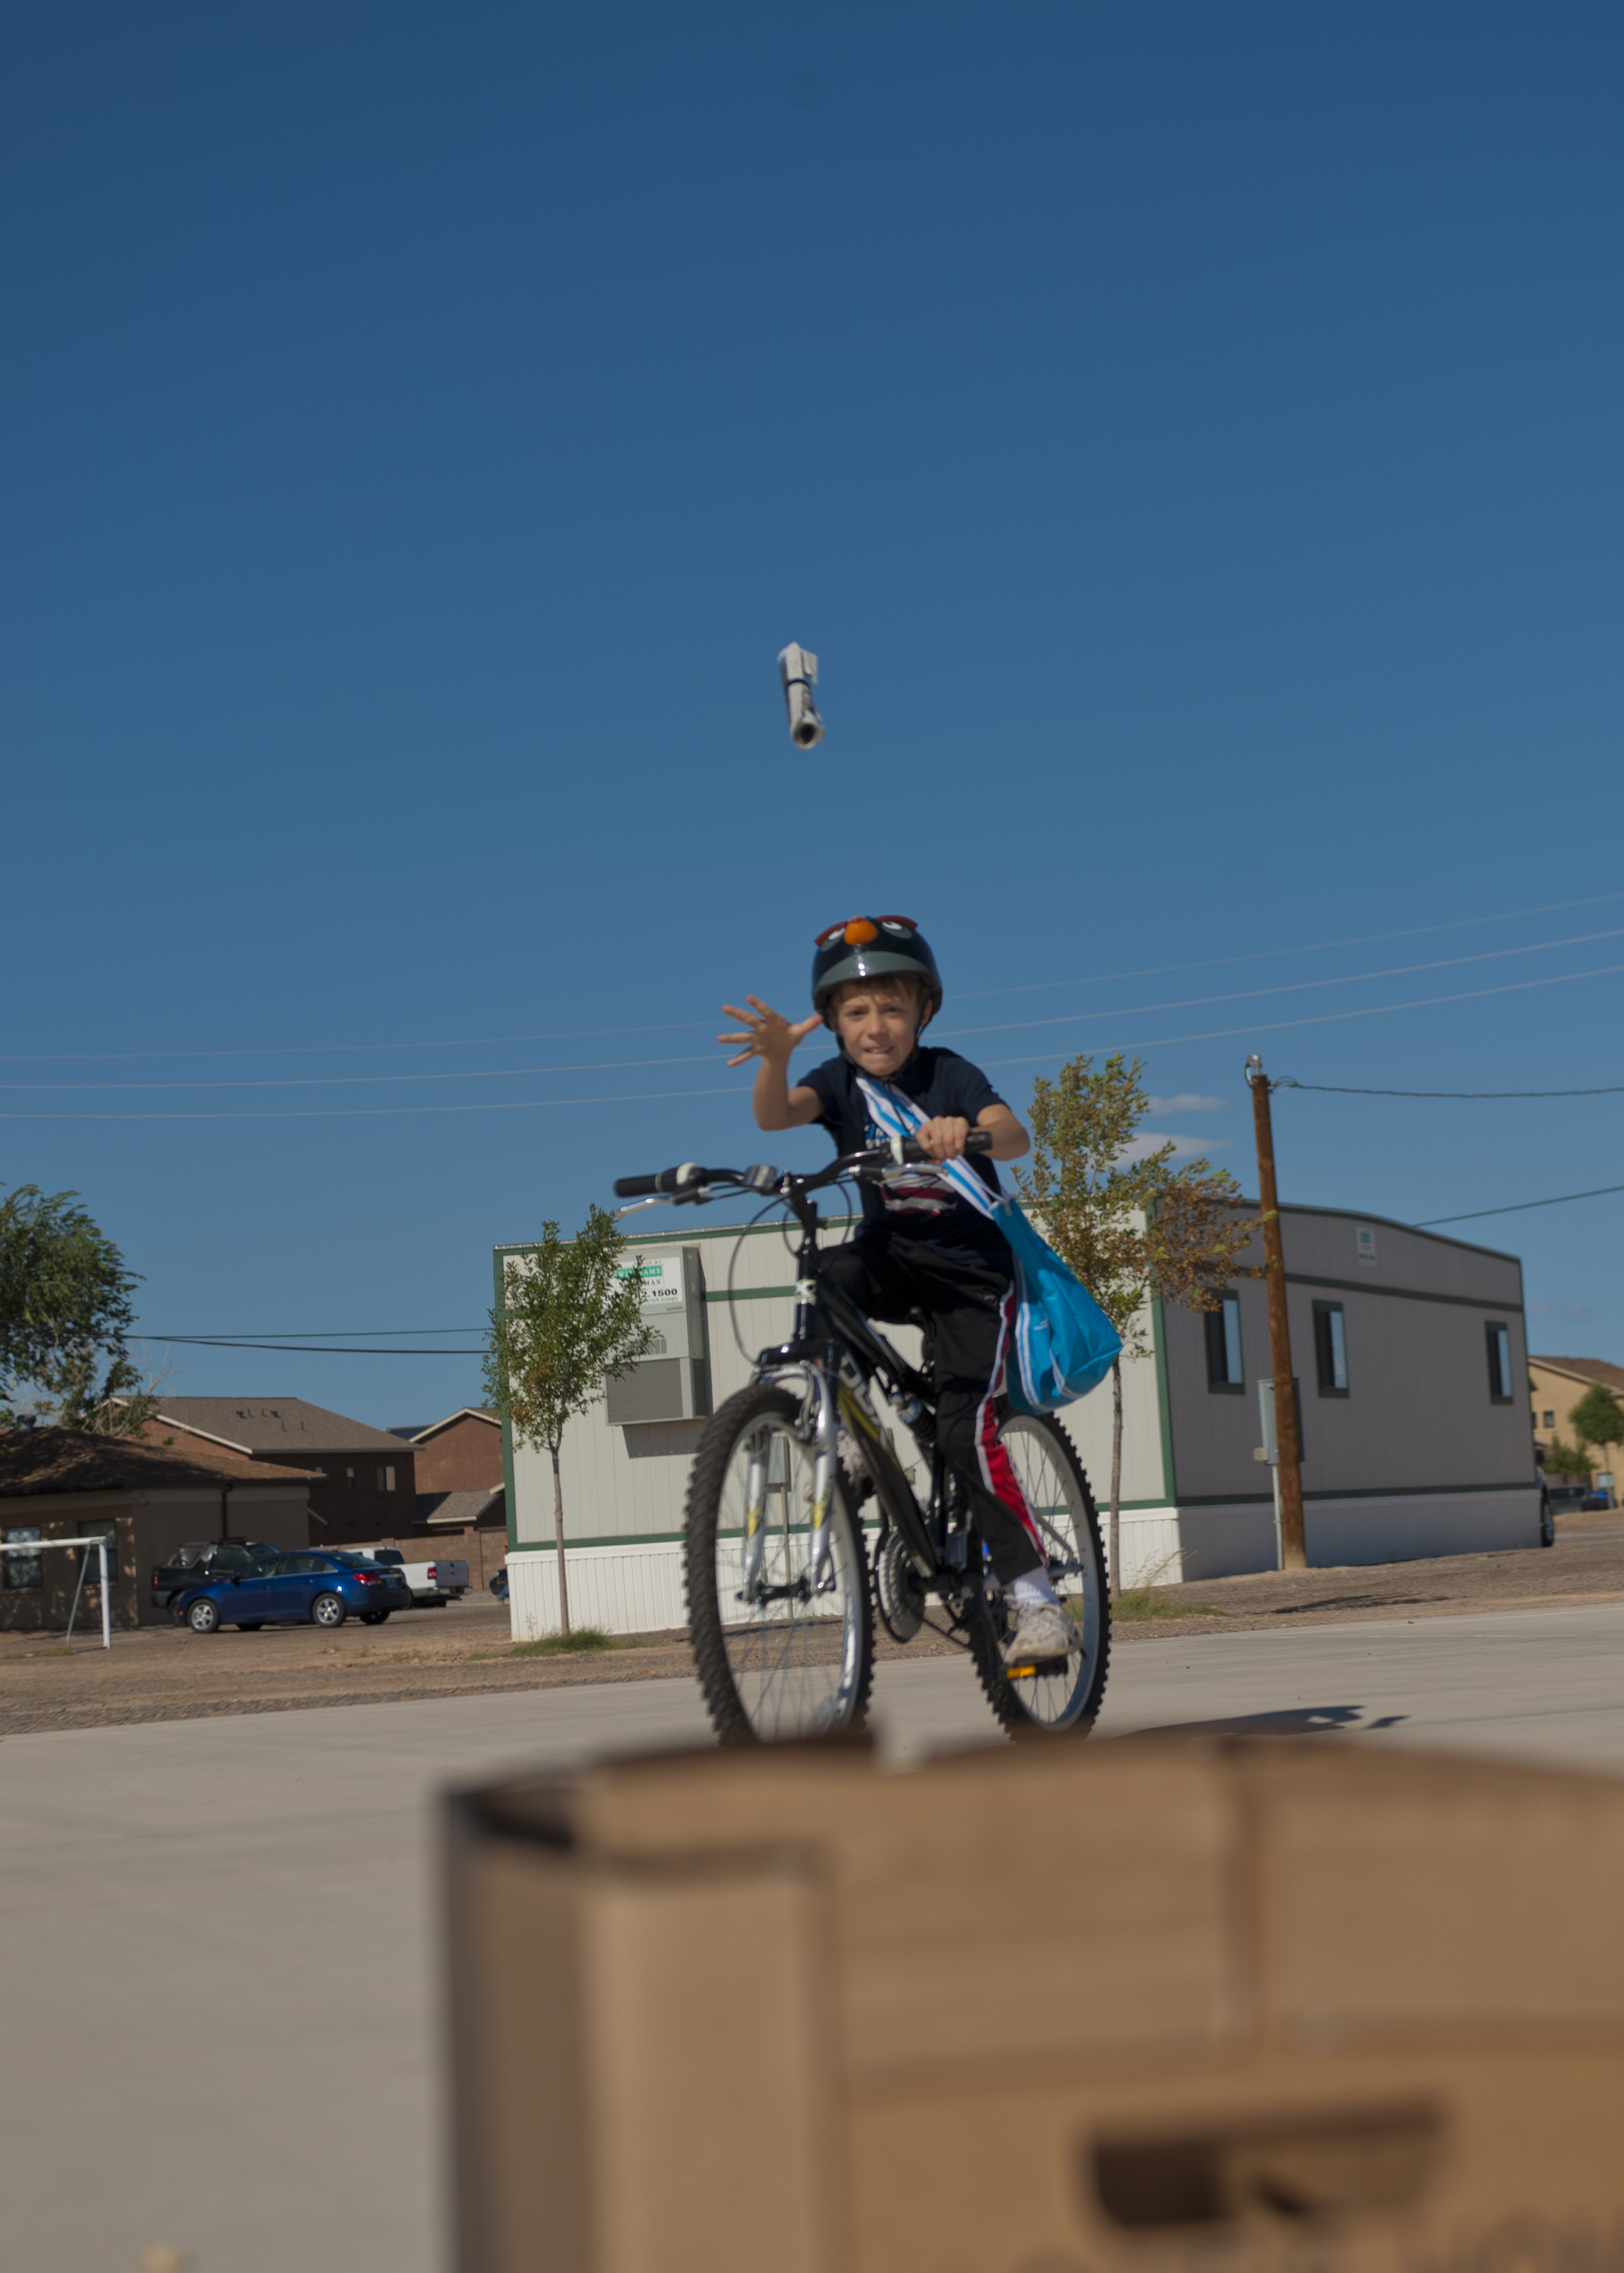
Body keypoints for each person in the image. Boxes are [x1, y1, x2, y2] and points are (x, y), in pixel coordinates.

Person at [719, 915, 1076, 1665]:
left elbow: (1014, 1135)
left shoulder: (948, 1074)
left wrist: (965, 1134)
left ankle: (1038, 1598)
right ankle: (842, 1435)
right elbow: (774, 1116)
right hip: (891, 1254)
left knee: (961, 1430)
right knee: (827, 1277)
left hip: (973, 1274)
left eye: (891, 1009)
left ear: (923, 1012)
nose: (874, 1026)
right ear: (836, 1024)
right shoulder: (837, 1083)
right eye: (855, 1012)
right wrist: (776, 1059)